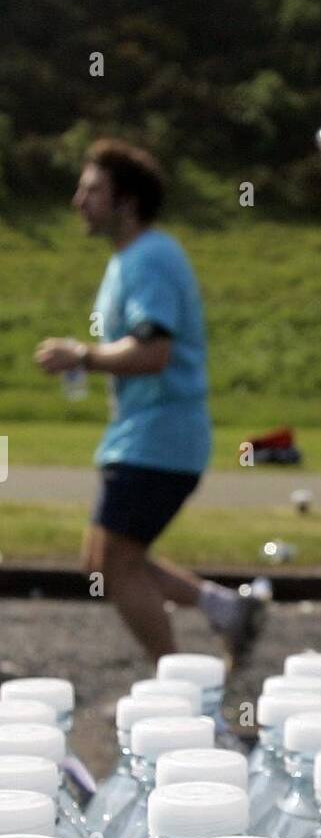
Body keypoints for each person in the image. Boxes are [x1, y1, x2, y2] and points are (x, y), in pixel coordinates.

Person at [34, 139, 263, 663]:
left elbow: (154, 350)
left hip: (159, 437)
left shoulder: (150, 257)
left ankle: (177, 693)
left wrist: (82, 356)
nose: (78, 200)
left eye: (92, 190)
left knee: (115, 564)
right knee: (106, 561)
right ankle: (225, 610)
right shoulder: (128, 260)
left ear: (126, 200)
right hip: (146, 435)